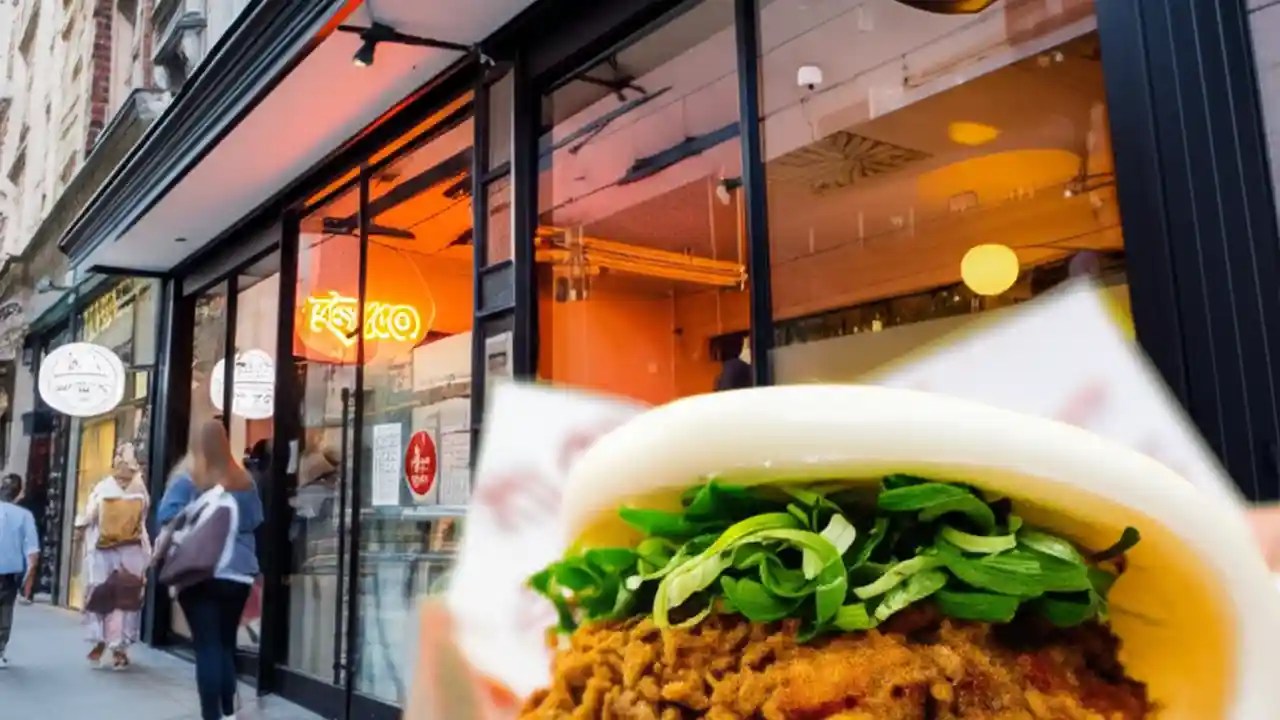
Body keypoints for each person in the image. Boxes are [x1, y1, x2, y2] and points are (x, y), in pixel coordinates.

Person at [158, 420, 264, 720]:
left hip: (200, 570)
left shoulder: (188, 479)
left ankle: (211, 715)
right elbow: (256, 519)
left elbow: (167, 518)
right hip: (239, 573)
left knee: (207, 646)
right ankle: (228, 711)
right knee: (225, 643)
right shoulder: (244, 480)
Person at [74, 442, 150, 669]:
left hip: (104, 548)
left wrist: (80, 527)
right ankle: (117, 646)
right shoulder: (140, 489)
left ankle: (104, 641)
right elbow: (143, 518)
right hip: (131, 549)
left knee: (103, 592)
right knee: (125, 596)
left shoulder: (103, 487)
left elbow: (90, 515)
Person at [0, 473, 38, 668]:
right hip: (9, 573)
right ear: (20, 493)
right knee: (5, 609)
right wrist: (28, 585)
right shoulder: (25, 515)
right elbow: (32, 552)